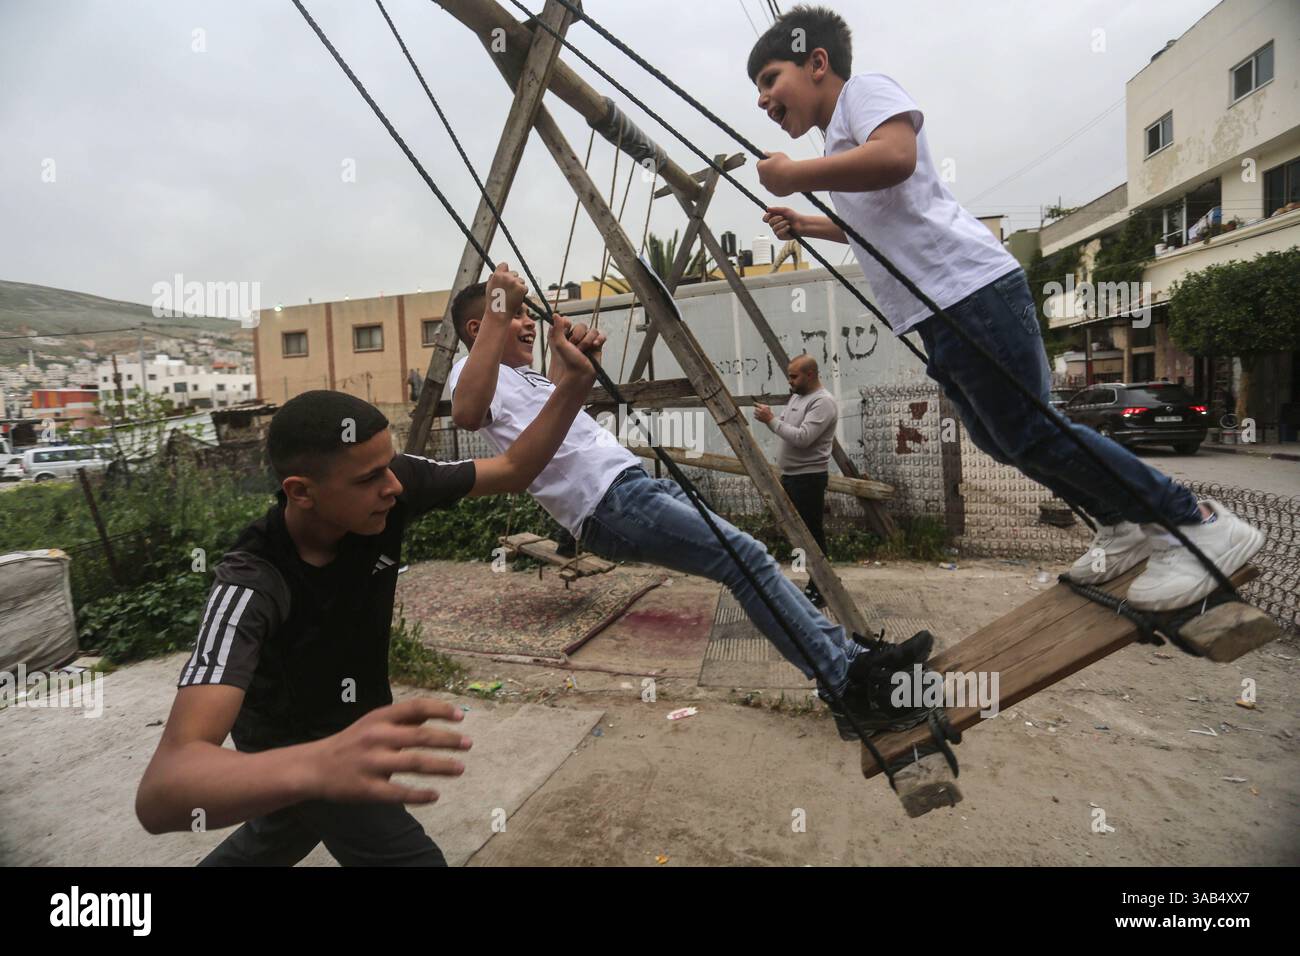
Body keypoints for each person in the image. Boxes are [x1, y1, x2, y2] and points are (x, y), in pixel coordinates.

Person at [749, 5, 1263, 611]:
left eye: (768, 80)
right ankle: (1121, 528)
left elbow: (897, 157)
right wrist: (809, 221)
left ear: (817, 63)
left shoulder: (864, 93)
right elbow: (881, 225)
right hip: (940, 315)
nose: (762, 101)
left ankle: (1197, 523)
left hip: (971, 294)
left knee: (1034, 431)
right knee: (1005, 442)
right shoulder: (839, 147)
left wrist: (795, 176)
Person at [135, 263, 604, 866]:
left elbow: (513, 471)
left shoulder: (393, 485)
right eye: (367, 477)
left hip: (349, 745)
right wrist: (319, 764)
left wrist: (571, 388)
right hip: (295, 751)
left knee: (280, 834)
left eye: (389, 466)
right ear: (302, 492)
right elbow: (164, 789)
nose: (391, 486)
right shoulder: (252, 582)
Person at [446, 277, 934, 742]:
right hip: (608, 503)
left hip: (628, 484)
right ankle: (847, 686)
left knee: (749, 558)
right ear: (479, 327)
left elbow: (557, 422)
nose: (529, 322)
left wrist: (573, 363)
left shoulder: (521, 377)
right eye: (515, 316)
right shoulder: (470, 375)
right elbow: (467, 412)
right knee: (745, 560)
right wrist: (495, 306)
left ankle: (851, 656)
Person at [753, 355, 837, 609]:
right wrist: (774, 421)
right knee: (801, 536)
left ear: (810, 374)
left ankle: (822, 588)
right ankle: (817, 584)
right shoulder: (798, 397)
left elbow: (802, 438)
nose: (790, 380)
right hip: (792, 476)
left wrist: (771, 420)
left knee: (811, 534)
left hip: (808, 479)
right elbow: (789, 431)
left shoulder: (823, 402)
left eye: (794, 376)